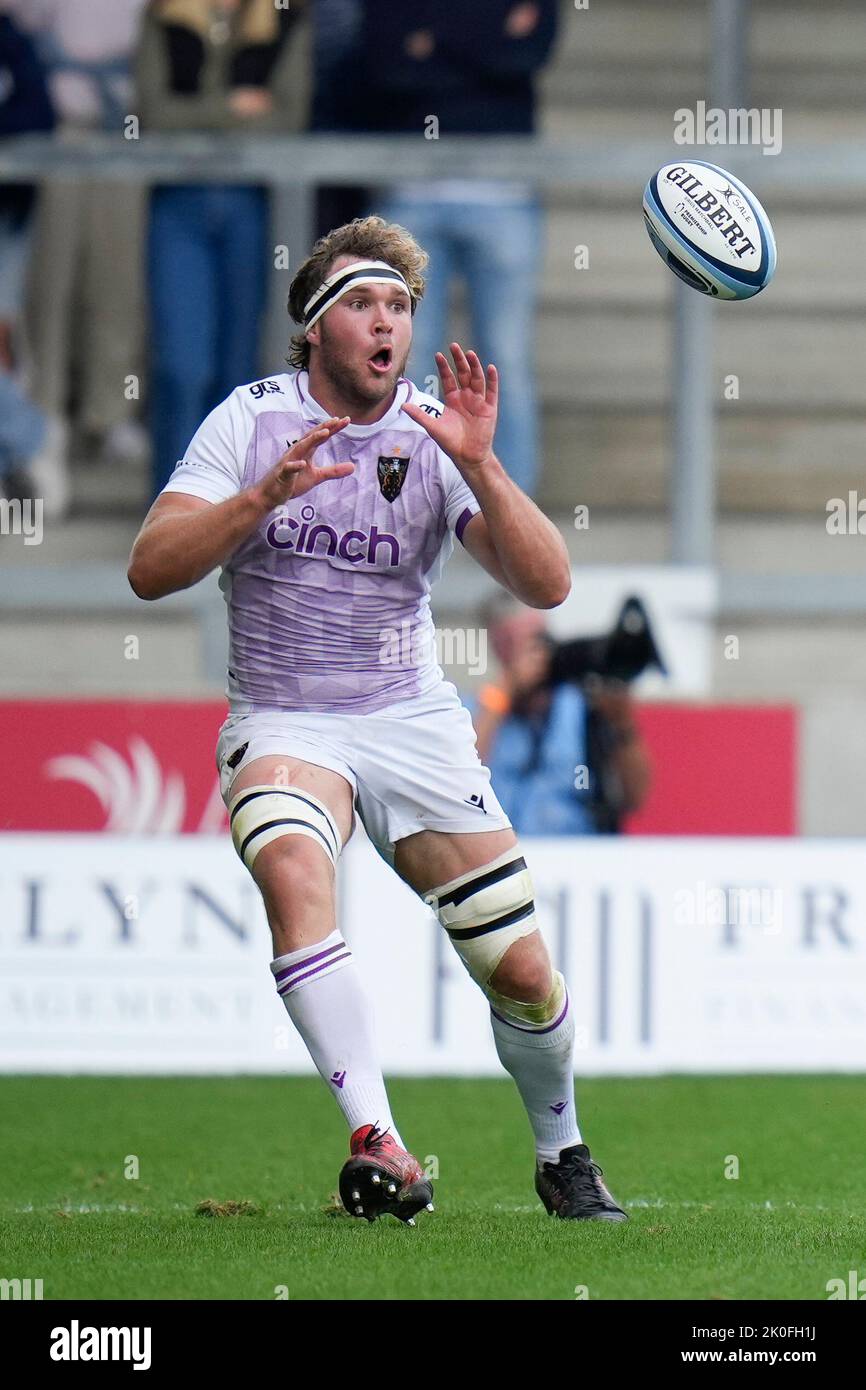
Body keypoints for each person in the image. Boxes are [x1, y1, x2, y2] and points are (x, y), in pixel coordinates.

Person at [127, 216, 627, 1224]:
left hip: (408, 716)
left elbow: (549, 583)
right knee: (291, 867)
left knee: (520, 971)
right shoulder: (248, 423)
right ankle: (378, 1140)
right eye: (361, 301)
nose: (386, 320)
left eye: (398, 303)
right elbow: (149, 568)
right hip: (285, 720)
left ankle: (559, 1148)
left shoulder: (436, 434)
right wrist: (255, 502)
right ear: (313, 328)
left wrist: (482, 465)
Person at [366, 0, 559, 498]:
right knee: (401, 360)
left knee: (505, 358)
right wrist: (486, 31)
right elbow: (386, 67)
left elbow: (524, 59)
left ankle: (510, 515)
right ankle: (403, 503)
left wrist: (434, 35)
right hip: (410, 193)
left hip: (504, 194)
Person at [135, 0, 311, 498]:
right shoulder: (164, 14)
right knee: (182, 365)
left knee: (238, 369)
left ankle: (224, 507)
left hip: (249, 205)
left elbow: (288, 116)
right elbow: (154, 113)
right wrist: (234, 108)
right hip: (177, 202)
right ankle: (172, 507)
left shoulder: (286, 16)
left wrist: (201, 117)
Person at [474, 600, 652, 835]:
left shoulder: (584, 707)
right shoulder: (483, 707)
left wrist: (622, 722)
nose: (536, 654)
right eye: (518, 644)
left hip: (578, 857)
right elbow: (460, 779)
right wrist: (504, 691)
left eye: (540, 639)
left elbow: (635, 797)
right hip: (505, 855)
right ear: (498, 647)